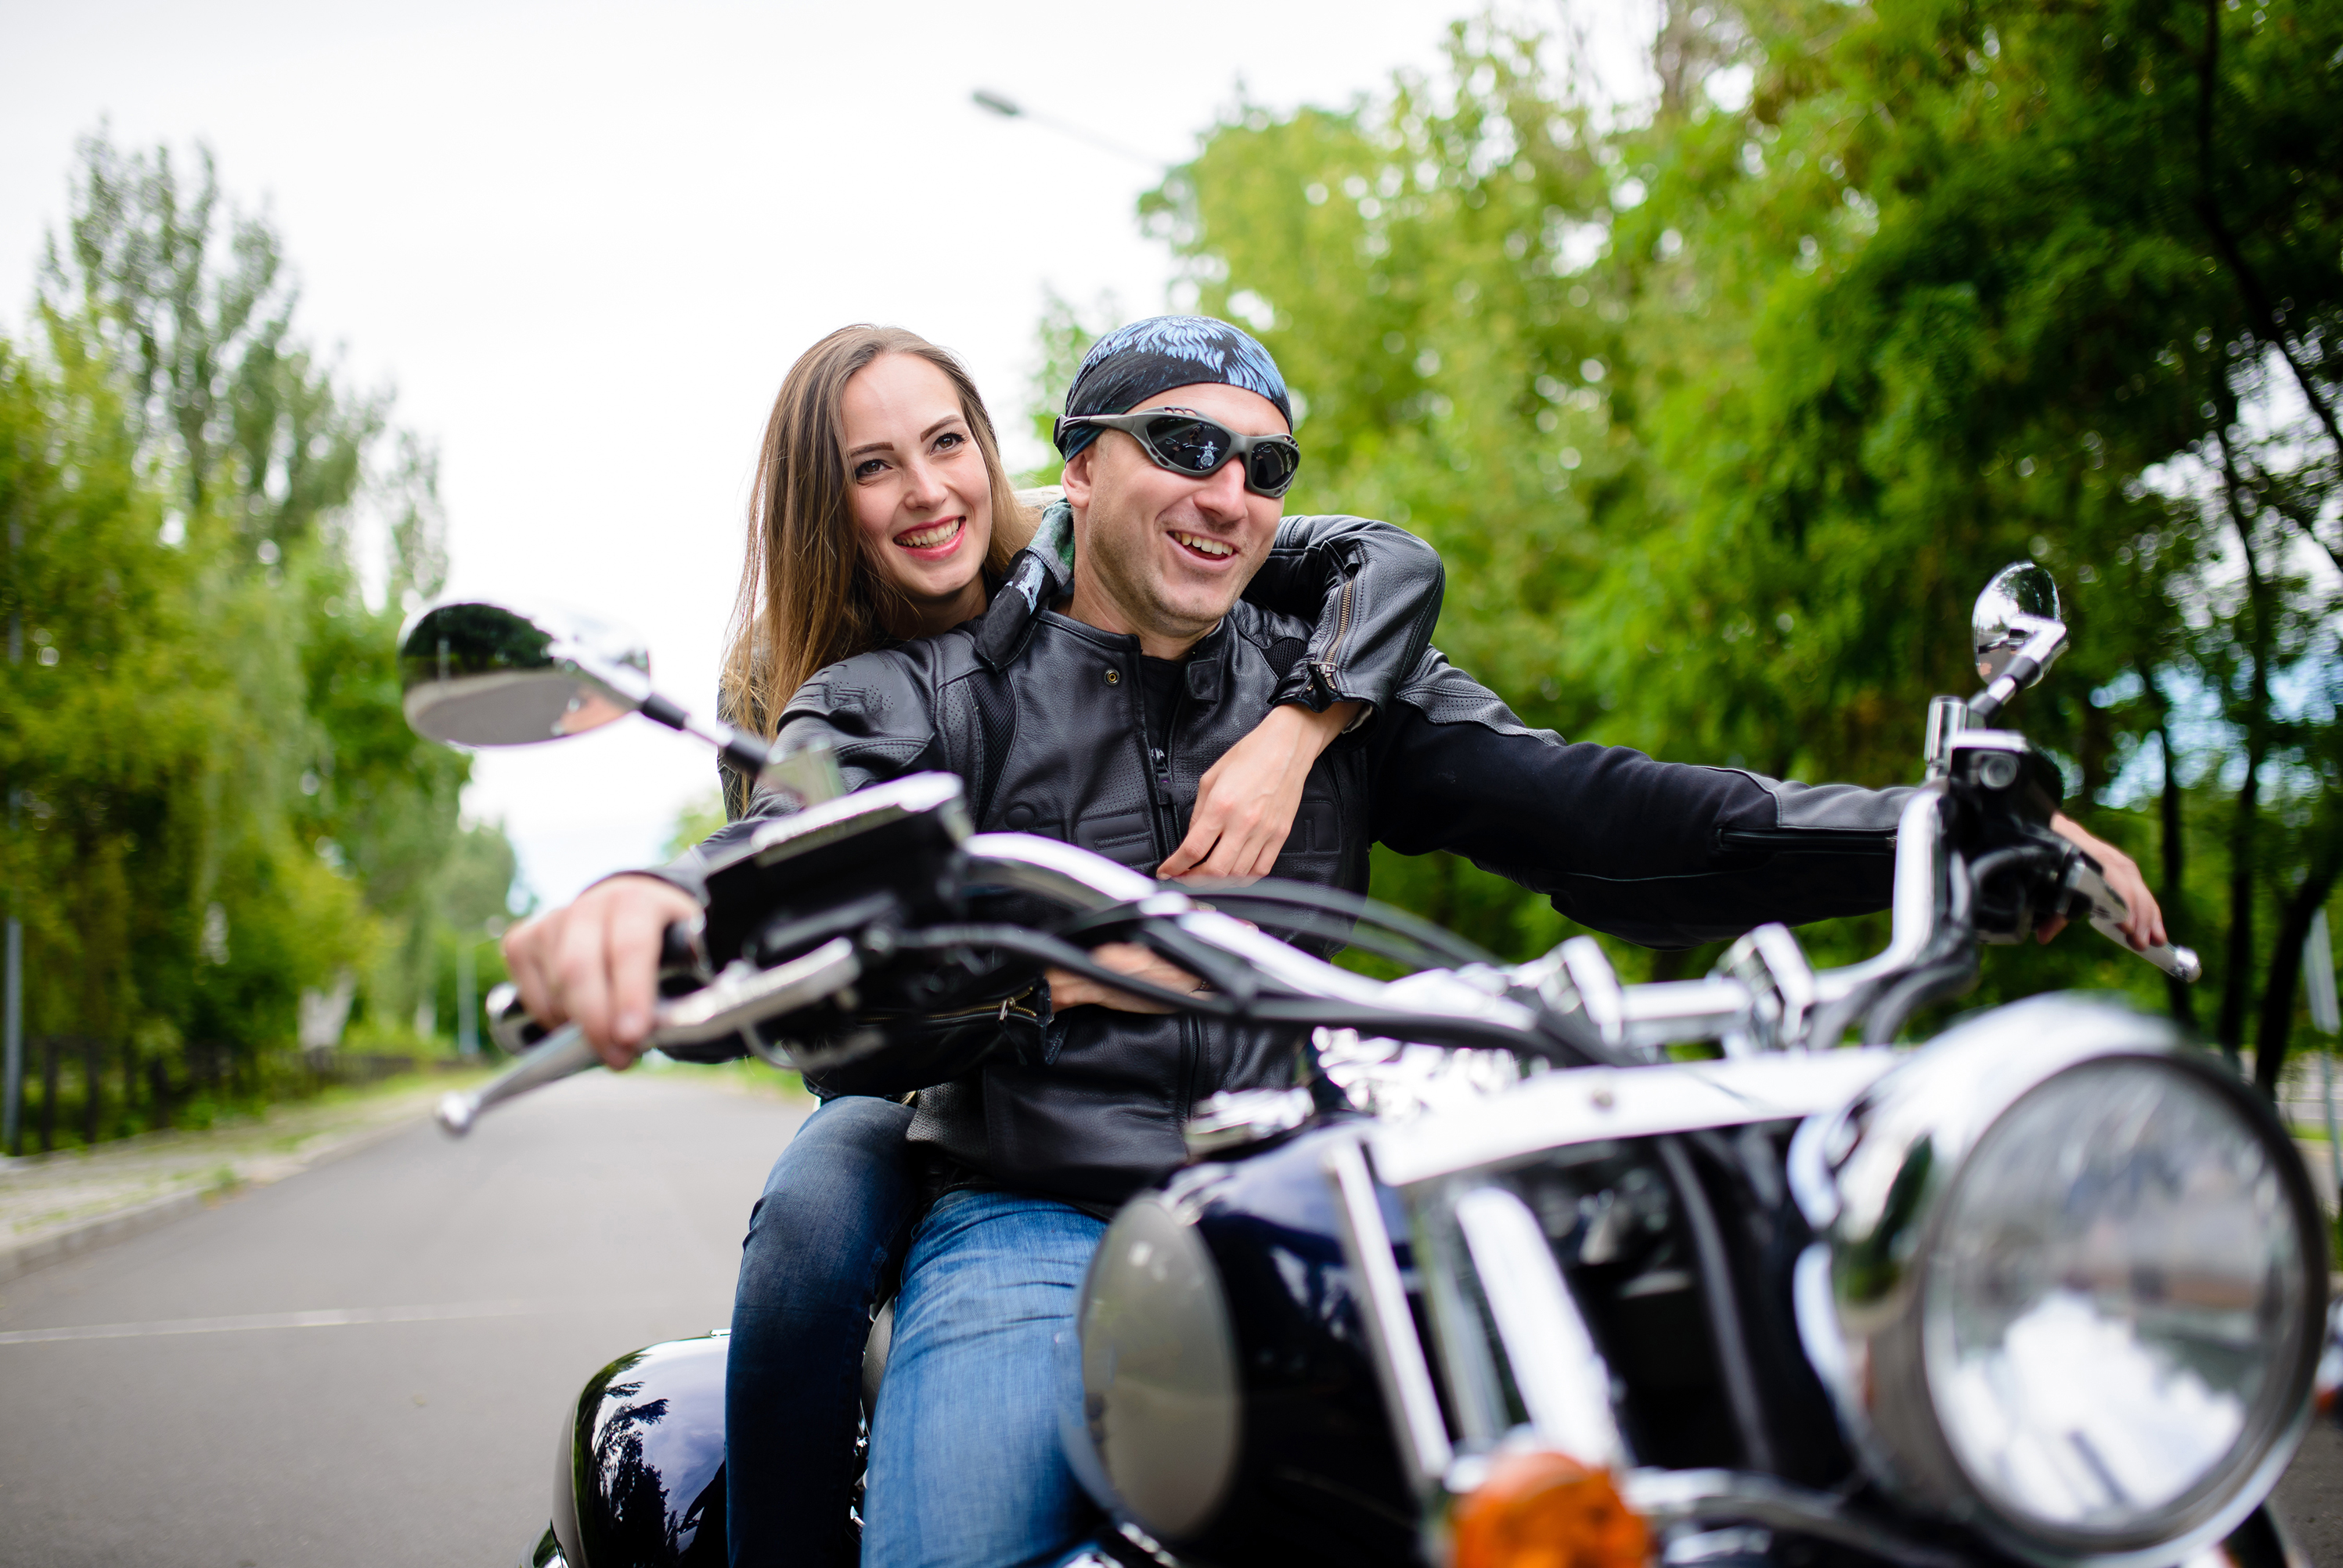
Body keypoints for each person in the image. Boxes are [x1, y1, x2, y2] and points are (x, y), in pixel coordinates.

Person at [507, 315, 2164, 1568]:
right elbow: (793, 840)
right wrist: (661, 906)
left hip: (1314, 1216)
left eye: (1265, 465)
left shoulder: (1337, 686)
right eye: (1182, 448)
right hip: (1033, 1222)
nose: (1230, 494)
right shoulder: (913, 694)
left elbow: (1621, 816)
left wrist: (1934, 833)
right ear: (1076, 471)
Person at [502, 321, 1448, 1568]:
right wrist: (657, 897)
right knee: (814, 1206)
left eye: (948, 444)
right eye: (873, 466)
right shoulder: (799, 686)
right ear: (820, 505)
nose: (929, 490)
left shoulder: (1089, 548)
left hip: (1150, 1106)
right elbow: (791, 921)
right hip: (923, 1068)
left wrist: (1305, 723)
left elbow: (1374, 555)